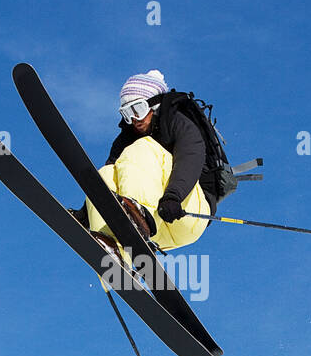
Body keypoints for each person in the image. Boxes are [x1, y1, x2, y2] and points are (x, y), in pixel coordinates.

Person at [75, 70, 218, 258]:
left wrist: (173, 197)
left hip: (185, 213)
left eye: (138, 109)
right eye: (127, 113)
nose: (134, 119)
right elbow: (105, 188)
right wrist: (84, 215)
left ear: (154, 105)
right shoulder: (124, 140)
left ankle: (138, 219)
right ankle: (114, 251)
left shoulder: (178, 123)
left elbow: (190, 159)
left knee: (142, 146)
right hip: (160, 230)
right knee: (107, 172)